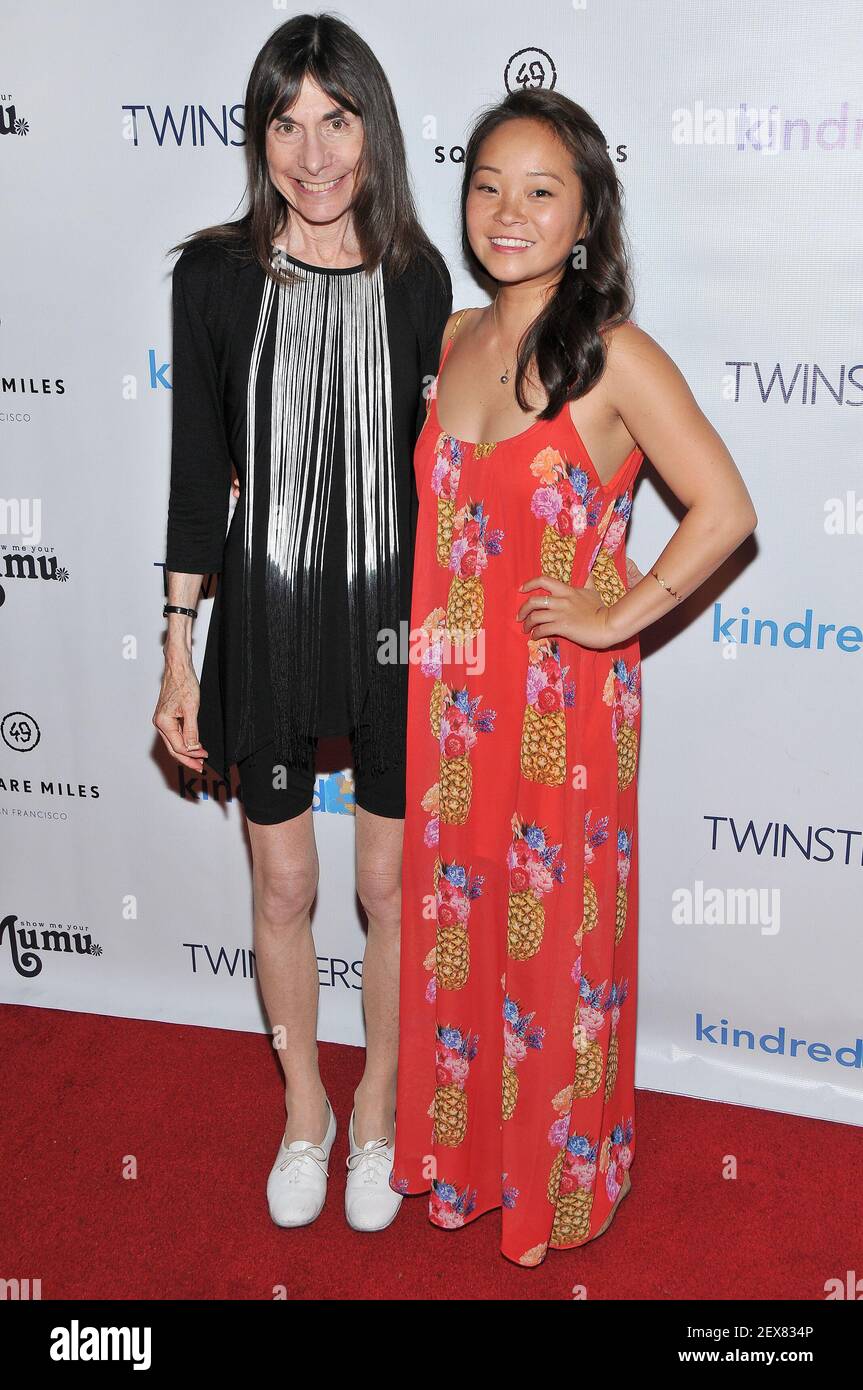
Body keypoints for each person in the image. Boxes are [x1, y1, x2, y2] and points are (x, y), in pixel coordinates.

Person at [391, 86, 757, 1265]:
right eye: (489, 184)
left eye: (542, 189)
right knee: (459, 928)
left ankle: (549, 1180)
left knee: (549, 949)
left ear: (586, 212)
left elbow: (725, 510)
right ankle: (464, 1160)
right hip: (448, 703)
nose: (509, 210)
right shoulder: (449, 335)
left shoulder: (613, 358)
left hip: (557, 711)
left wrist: (616, 614)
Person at [152, 13, 451, 1232]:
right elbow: (193, 472)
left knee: (385, 886)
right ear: (258, 134)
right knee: (283, 886)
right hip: (265, 625)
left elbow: (452, 479)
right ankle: (304, 1111)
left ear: (371, 129)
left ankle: (377, 1103)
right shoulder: (212, 277)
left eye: (336, 120)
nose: (313, 152)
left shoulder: (424, 279)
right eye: (286, 122)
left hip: (391, 625)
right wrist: (176, 643)